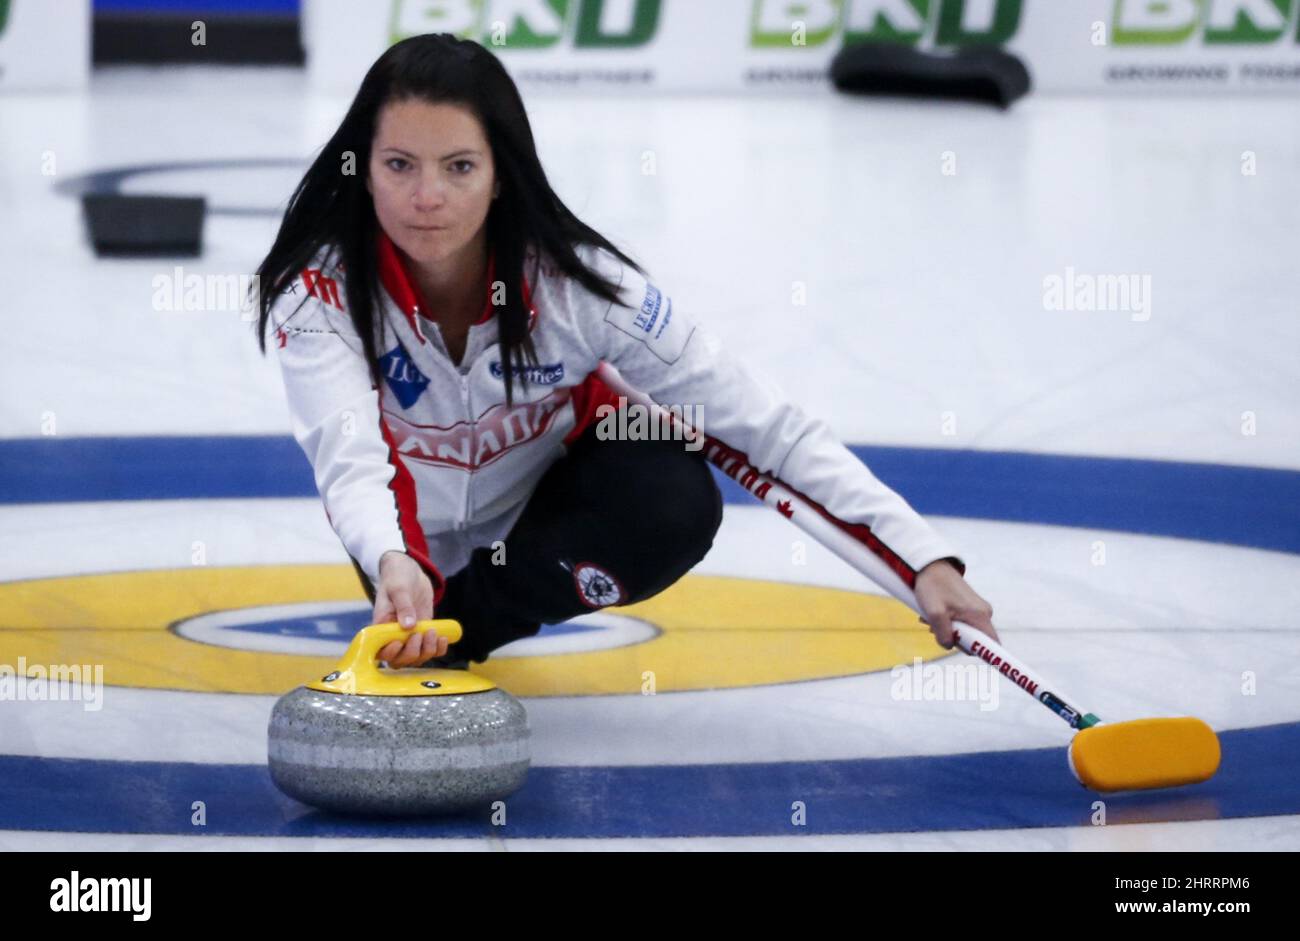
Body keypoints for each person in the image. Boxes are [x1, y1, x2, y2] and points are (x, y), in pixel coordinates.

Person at [253, 33, 996, 670]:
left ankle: (465, 624)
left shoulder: (586, 289)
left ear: (500, 173)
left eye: (459, 166)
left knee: (671, 496)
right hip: (396, 537)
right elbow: (348, 457)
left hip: (538, 526)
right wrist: (392, 558)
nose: (427, 197)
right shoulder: (317, 293)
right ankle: (426, 602)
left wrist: (924, 559)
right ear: (362, 167)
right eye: (399, 165)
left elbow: (767, 428)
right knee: (398, 548)